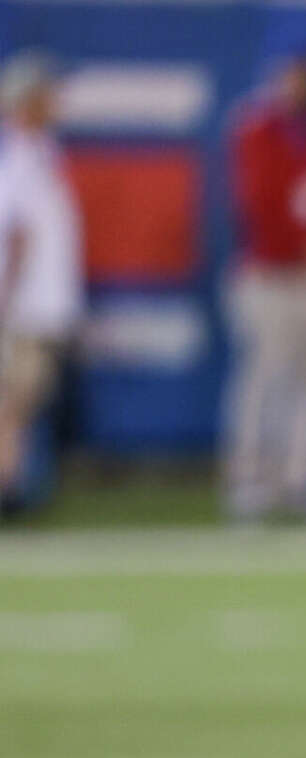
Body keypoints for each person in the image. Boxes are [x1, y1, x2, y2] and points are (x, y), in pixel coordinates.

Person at [224, 49, 306, 520]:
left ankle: (301, 480)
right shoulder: (259, 128)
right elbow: (258, 201)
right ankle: (251, 478)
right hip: (272, 274)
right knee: (265, 377)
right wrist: (305, 243)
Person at [0, 51, 82, 519]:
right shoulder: (20, 160)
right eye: (47, 94)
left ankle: (14, 488)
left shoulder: (43, 155)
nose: (56, 101)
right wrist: (6, 304)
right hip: (23, 309)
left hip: (42, 306)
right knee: (12, 403)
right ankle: (8, 492)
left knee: (21, 404)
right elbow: (15, 237)